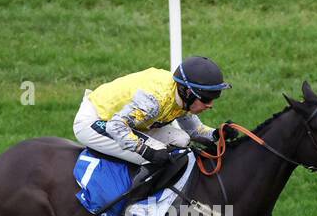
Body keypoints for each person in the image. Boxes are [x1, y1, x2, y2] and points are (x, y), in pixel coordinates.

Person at [73, 56, 231, 200]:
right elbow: (116, 127)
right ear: (189, 92)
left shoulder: (180, 94)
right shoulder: (155, 101)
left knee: (182, 140)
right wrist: (146, 151)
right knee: (157, 153)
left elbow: (194, 131)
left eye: (214, 98)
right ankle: (130, 209)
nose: (210, 105)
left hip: (127, 121)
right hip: (97, 120)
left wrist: (217, 134)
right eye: (206, 99)